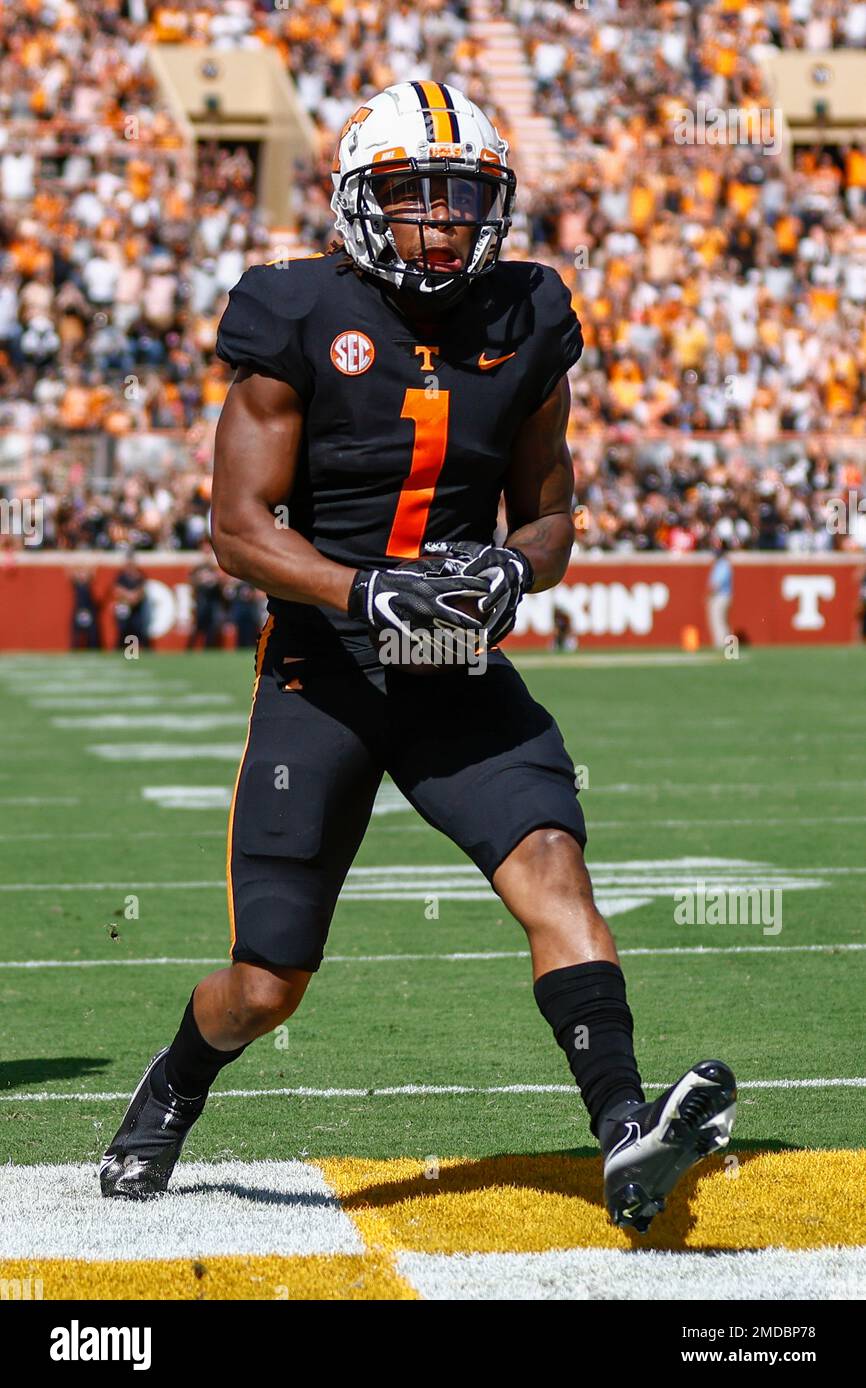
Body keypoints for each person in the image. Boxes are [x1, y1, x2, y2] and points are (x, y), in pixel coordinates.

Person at [100, 83, 736, 1231]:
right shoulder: (293, 310)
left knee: (552, 867)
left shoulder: (530, 311)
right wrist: (365, 587)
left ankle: (625, 1128)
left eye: (462, 198)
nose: (440, 221)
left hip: (454, 668)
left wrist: (510, 568)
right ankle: (176, 1081)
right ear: (360, 200)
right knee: (266, 984)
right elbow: (237, 528)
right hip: (325, 676)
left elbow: (549, 517)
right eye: (411, 195)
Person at [112, 549, 150, 651]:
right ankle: (122, 649)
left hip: (136, 607)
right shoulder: (121, 575)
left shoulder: (139, 575)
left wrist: (134, 596)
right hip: (124, 606)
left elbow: (142, 589)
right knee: (123, 629)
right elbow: (116, 589)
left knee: (138, 629)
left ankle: (136, 651)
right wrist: (128, 595)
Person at [707, 537, 733, 649]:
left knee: (718, 621)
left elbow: (717, 583)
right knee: (722, 621)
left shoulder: (723, 564)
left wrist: (710, 594)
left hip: (721, 596)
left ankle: (721, 644)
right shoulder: (723, 563)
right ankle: (728, 645)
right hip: (723, 596)